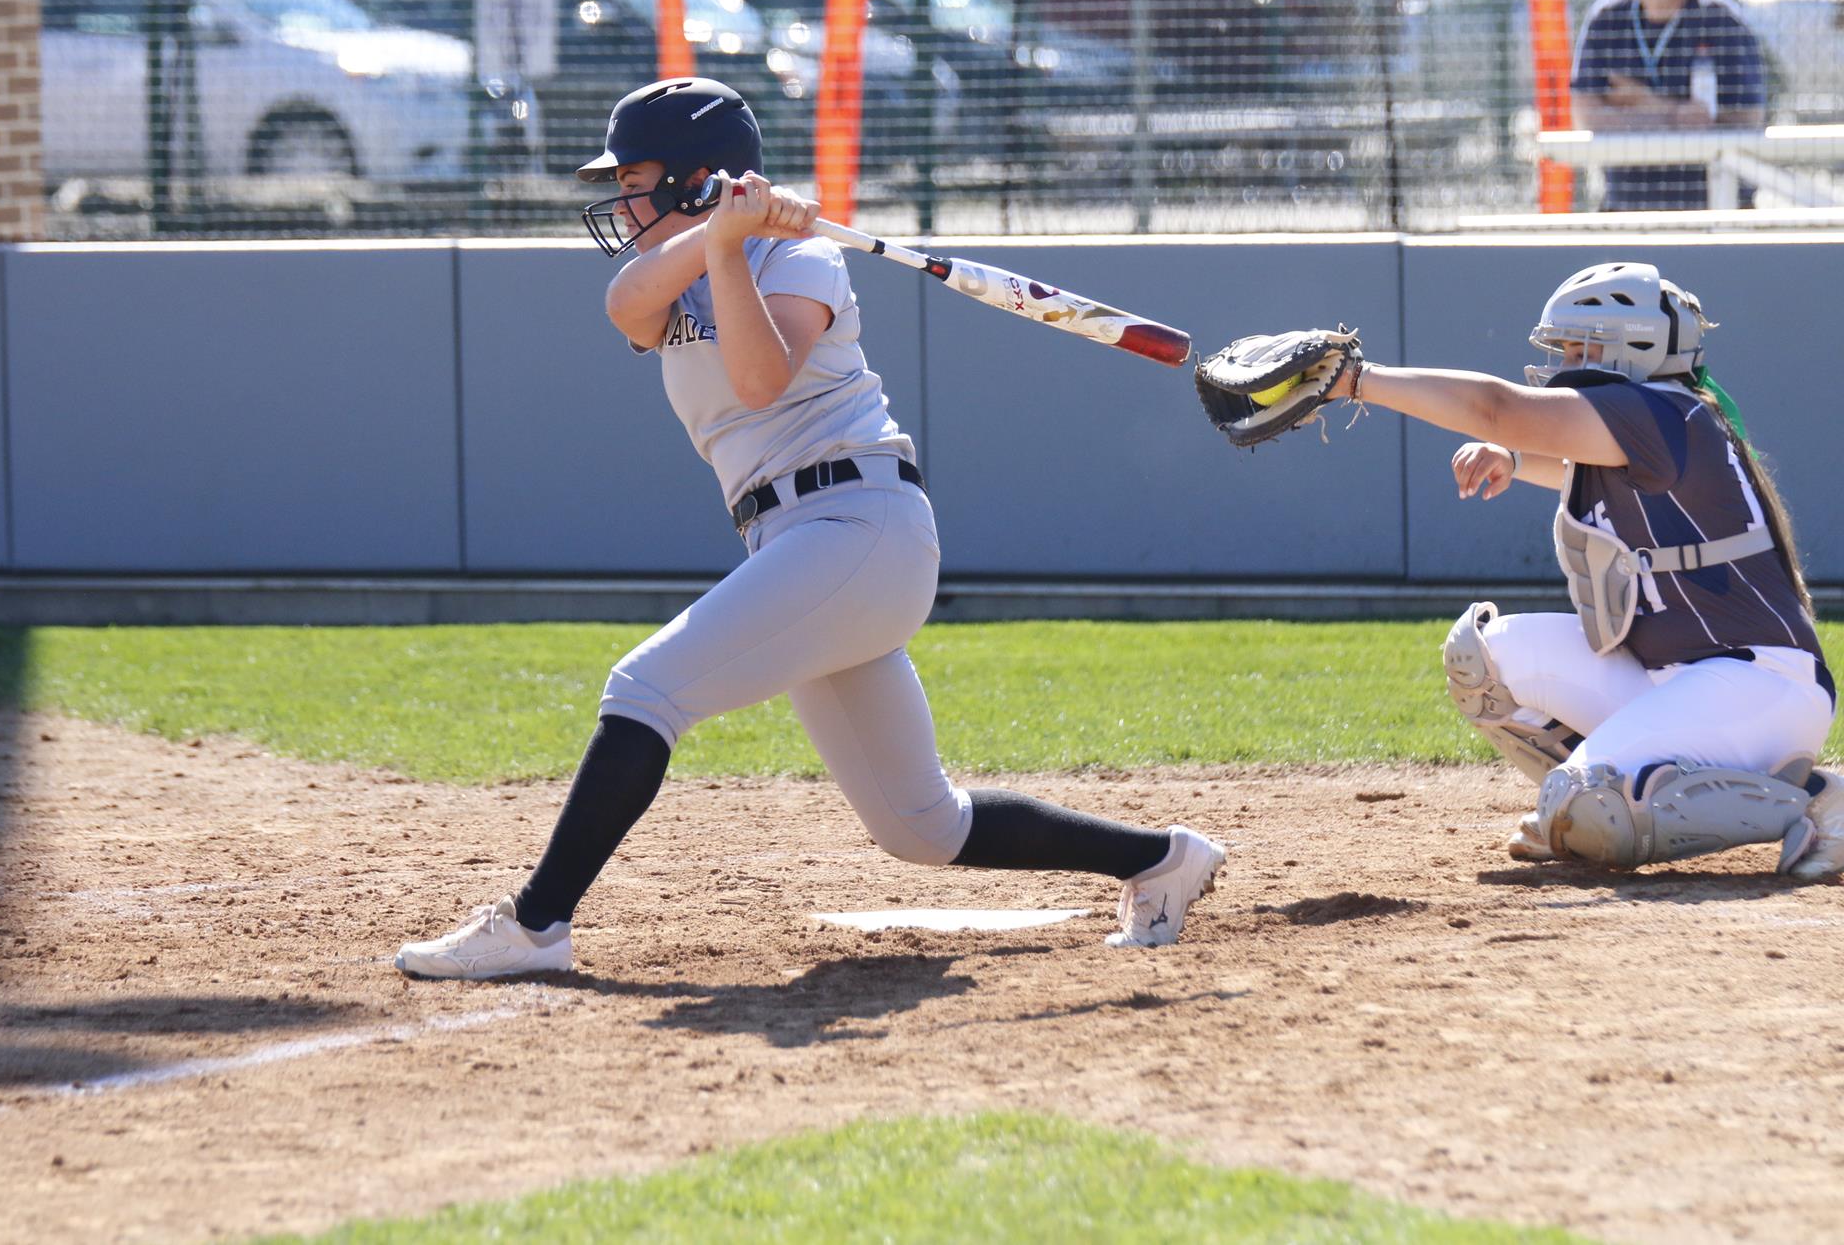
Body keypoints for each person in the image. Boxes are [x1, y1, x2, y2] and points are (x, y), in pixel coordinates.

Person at [395, 77, 1226, 980]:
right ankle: (1162, 859)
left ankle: (535, 925)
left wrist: (732, 244)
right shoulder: (675, 268)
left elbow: (759, 382)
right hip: (800, 545)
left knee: (644, 689)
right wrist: (718, 235)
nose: (622, 201)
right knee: (921, 825)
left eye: (634, 179)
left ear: (694, 177)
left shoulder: (803, 259)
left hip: (859, 527)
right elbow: (625, 304)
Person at [1318, 261, 1840, 877]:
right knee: (1484, 658)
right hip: (1673, 680)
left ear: (1630, 348)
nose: (1563, 361)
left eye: (1577, 346)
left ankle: (1816, 798)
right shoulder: (1653, 419)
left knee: (1586, 807)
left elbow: (1494, 408)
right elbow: (1571, 465)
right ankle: (1587, 798)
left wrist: (1357, 380)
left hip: (1761, 688)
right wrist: (1514, 461)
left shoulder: (1662, 412)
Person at [1569, 0, 1769, 211]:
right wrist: (1673, 113)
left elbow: (1748, 117)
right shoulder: (1606, 18)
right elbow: (1586, 116)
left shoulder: (1721, 20)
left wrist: (1640, 104)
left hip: (1714, 205)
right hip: (1629, 205)